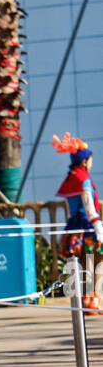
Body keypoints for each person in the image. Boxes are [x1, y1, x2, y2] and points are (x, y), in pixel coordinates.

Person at [53, 132, 103, 311]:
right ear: (84, 162)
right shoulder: (84, 180)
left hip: (73, 228)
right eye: (89, 160)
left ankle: (83, 300)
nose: (91, 163)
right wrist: (97, 224)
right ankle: (94, 299)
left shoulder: (70, 178)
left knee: (81, 265)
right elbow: (89, 206)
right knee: (97, 262)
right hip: (87, 227)